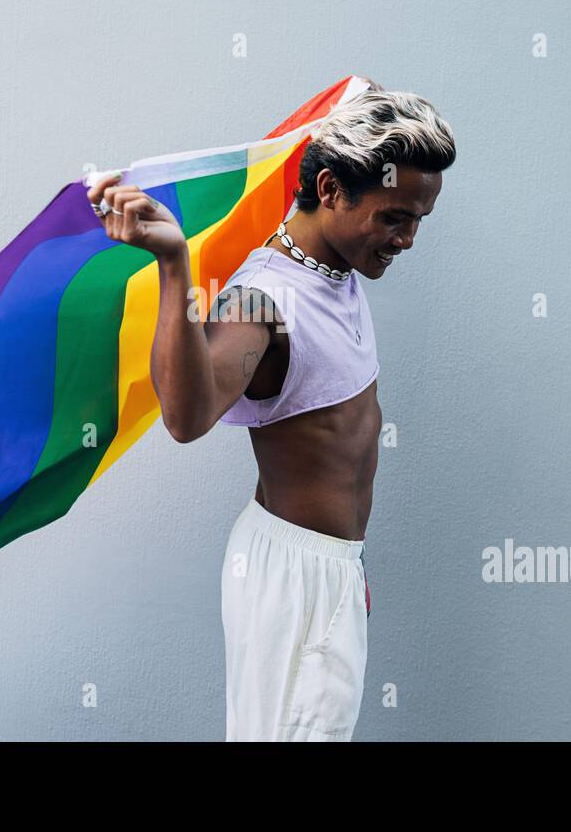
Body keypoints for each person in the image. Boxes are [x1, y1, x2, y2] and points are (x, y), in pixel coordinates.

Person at [87, 87, 455, 740]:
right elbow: (186, 415)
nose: (408, 238)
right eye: (395, 216)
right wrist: (174, 262)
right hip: (294, 580)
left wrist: (345, 570)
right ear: (331, 189)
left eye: (421, 217)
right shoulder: (265, 302)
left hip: (324, 570)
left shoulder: (334, 268)